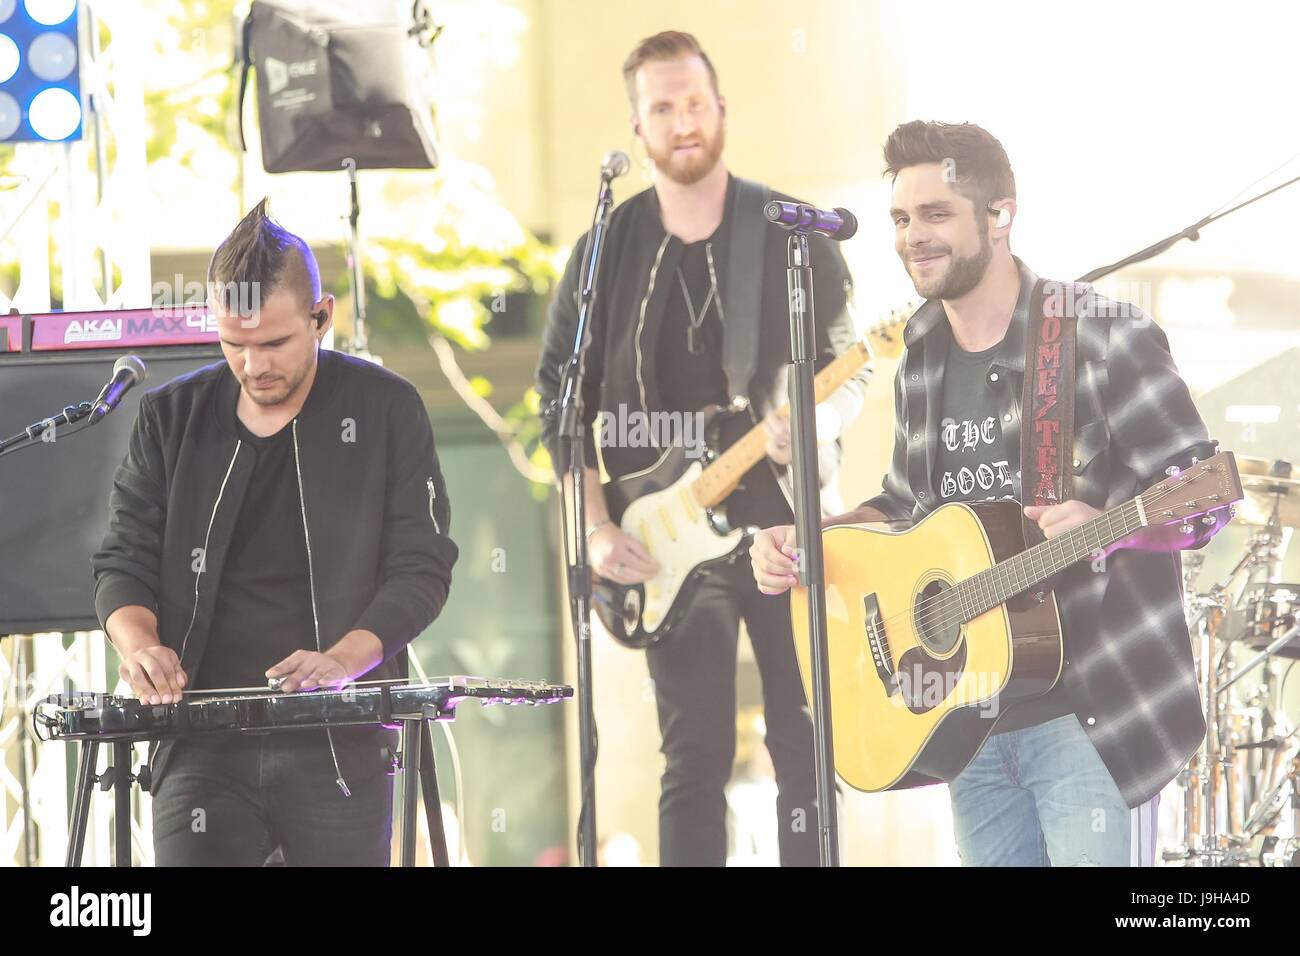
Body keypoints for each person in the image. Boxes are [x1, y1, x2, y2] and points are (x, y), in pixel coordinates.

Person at [93, 200, 459, 865]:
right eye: (233, 344)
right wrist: (140, 645)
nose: (252, 364)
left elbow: (423, 566)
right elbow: (123, 559)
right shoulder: (171, 417)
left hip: (339, 741)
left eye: (274, 343)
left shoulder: (385, 408)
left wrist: (343, 661)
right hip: (200, 740)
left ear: (323, 318)